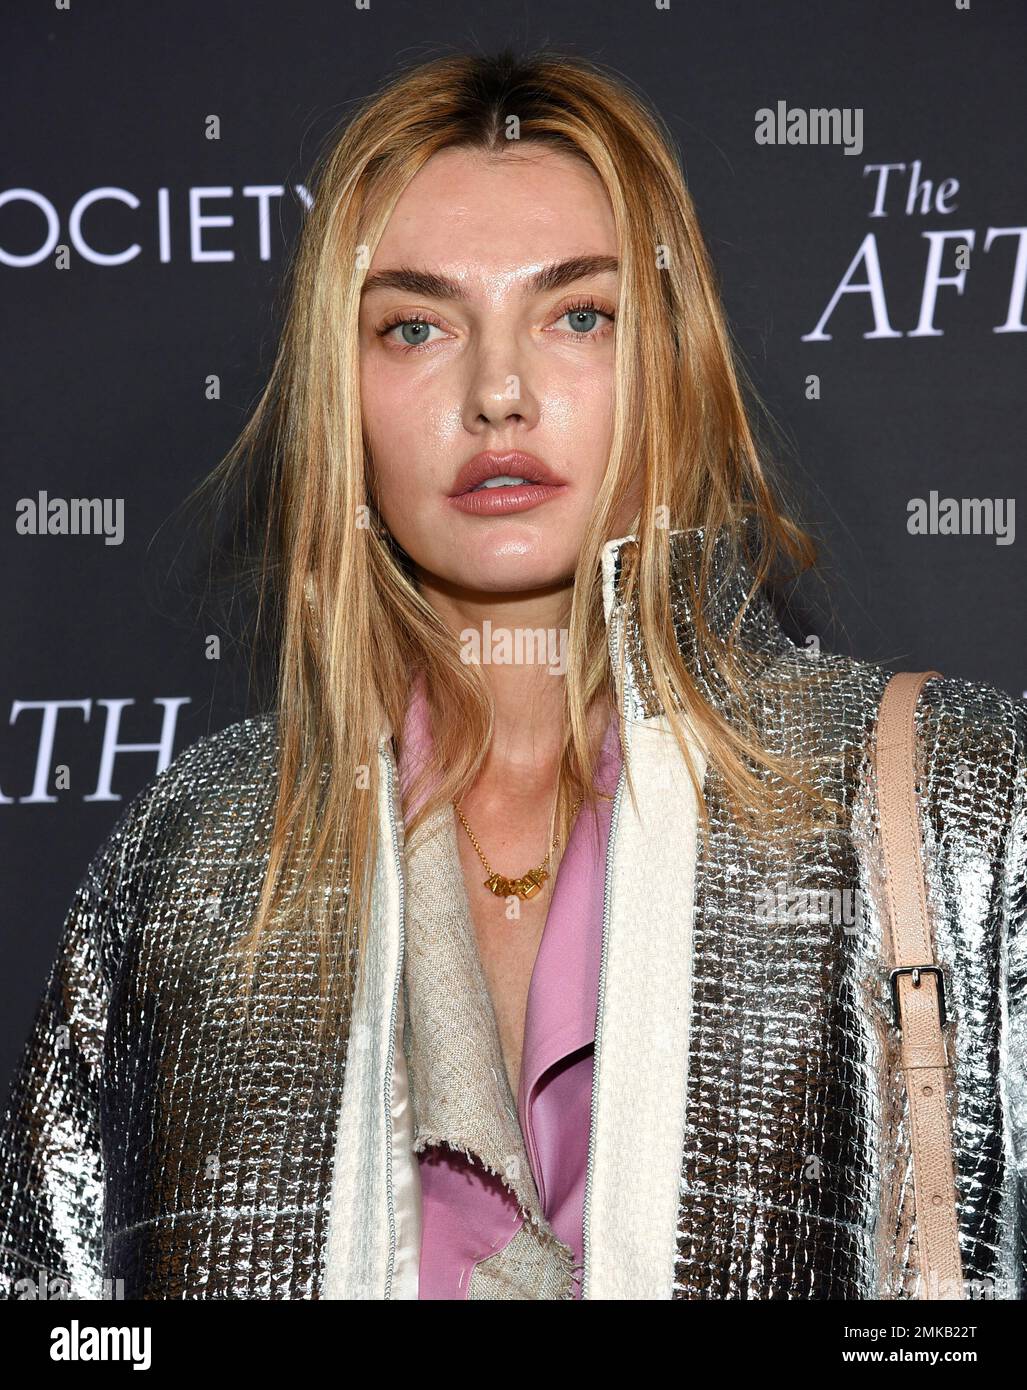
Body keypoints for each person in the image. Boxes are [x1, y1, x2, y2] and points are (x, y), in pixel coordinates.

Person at [0, 47, 1023, 1303]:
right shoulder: (189, 870)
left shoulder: (951, 805)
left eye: (579, 315)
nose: (498, 393)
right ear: (344, 392)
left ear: (674, 361)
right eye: (417, 326)